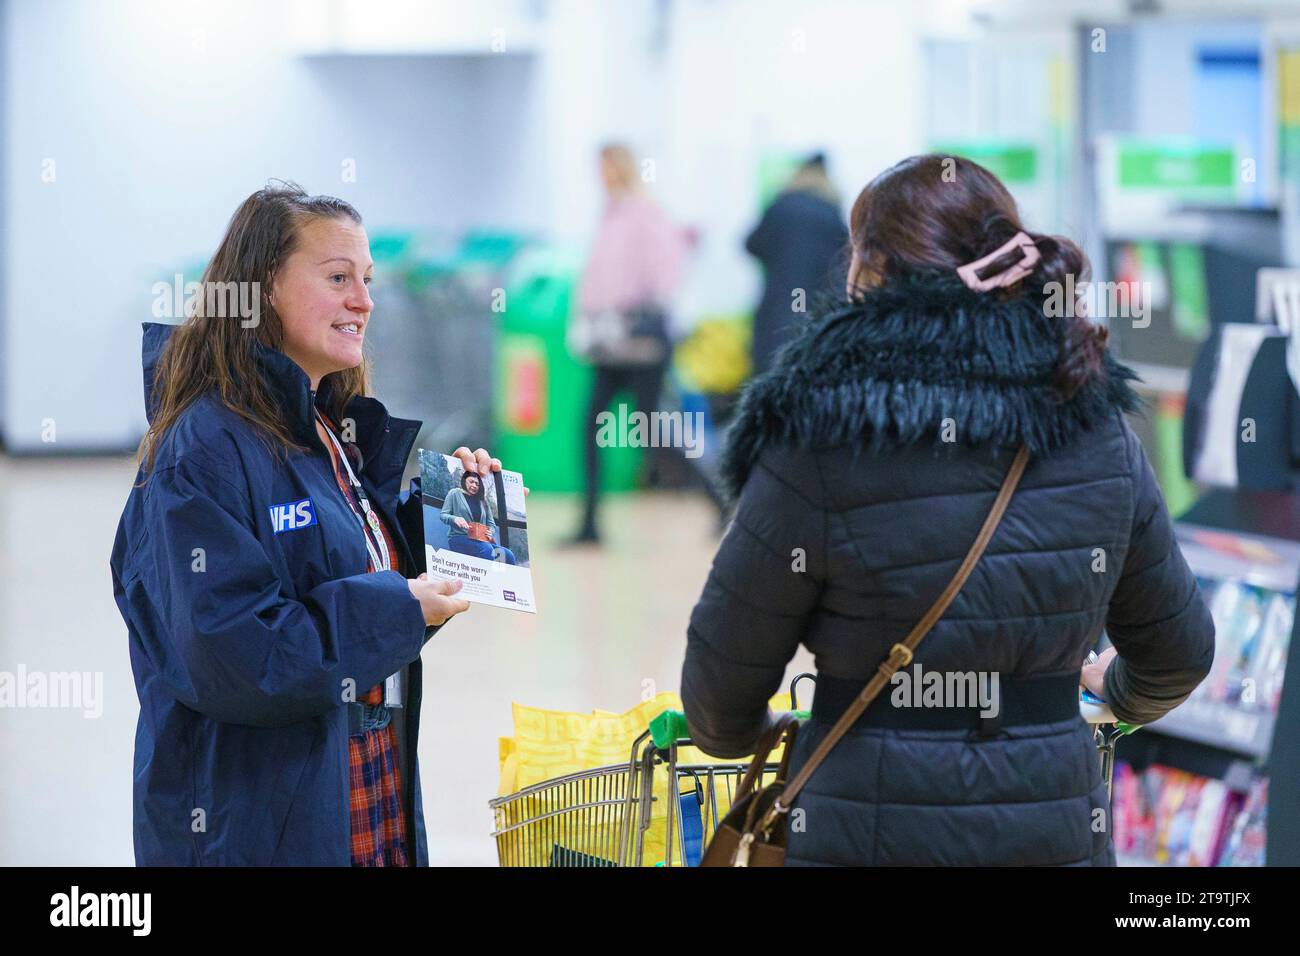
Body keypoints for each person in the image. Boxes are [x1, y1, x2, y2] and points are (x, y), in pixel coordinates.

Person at [680, 155, 1216, 867]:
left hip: (860, 834)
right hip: (1051, 834)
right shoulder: (1098, 427)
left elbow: (721, 687)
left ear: (871, 272)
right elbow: (1179, 655)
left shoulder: (818, 432)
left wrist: (751, 733)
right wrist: (1111, 691)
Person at [110, 182, 508, 866]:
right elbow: (241, 656)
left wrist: (454, 522)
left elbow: (337, 577)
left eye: (368, 280)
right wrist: (396, 607)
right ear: (263, 289)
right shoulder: (202, 448)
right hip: (256, 825)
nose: (366, 301)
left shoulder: (322, 426)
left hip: (353, 785)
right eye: (338, 278)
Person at [566, 142, 691, 545]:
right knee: (590, 427)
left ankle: (720, 495)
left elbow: (664, 271)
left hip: (641, 346)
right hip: (610, 344)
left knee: (651, 430)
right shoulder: (611, 213)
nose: (600, 174)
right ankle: (589, 525)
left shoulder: (643, 212)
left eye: (605, 166)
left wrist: (640, 311)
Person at [744, 152, 848, 377]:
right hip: (817, 304)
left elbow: (751, 245)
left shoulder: (781, 205)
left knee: (770, 369)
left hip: (779, 301)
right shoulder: (831, 211)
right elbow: (844, 259)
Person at [440, 470, 518, 564]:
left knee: (507, 555)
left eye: (477, 484)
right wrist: (455, 519)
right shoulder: (454, 493)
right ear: (464, 481)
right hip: (458, 538)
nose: (474, 485)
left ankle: (499, 574)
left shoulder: (483, 501)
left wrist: (490, 532)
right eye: (471, 482)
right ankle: (488, 576)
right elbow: (443, 515)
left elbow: (491, 524)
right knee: (486, 549)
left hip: (480, 540)